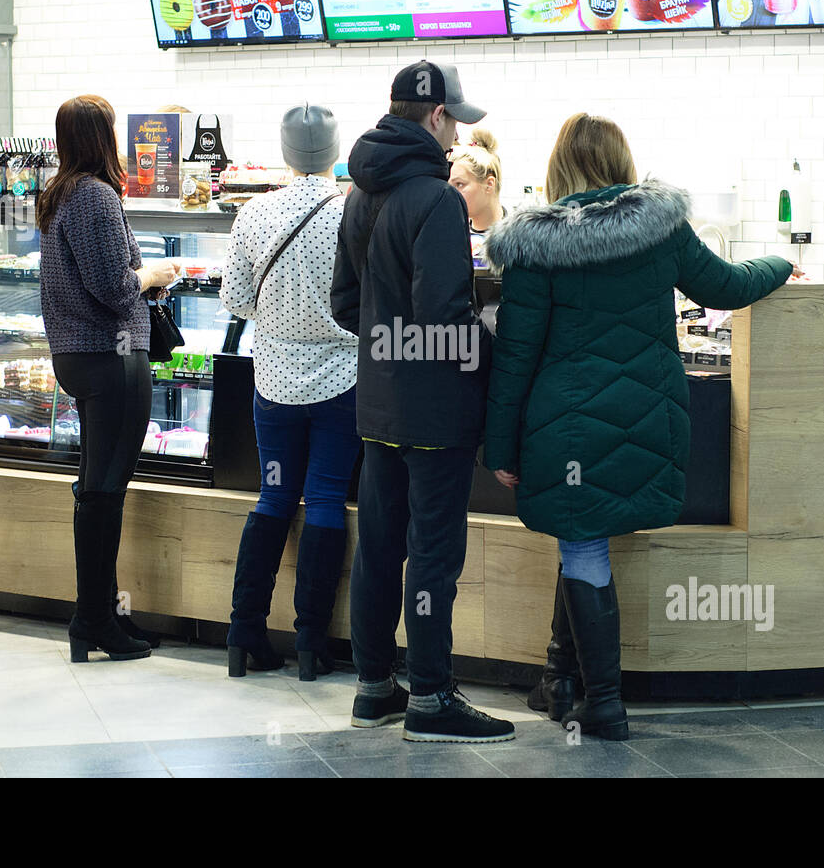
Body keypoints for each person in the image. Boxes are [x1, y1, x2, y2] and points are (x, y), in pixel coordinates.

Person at [482, 113, 797, 741]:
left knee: (582, 543)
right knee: (583, 537)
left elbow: (515, 356)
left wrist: (500, 445)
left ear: (558, 168)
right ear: (622, 162)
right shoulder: (661, 229)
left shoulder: (534, 245)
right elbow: (729, 286)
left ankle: (604, 701)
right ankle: (561, 680)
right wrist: (781, 265)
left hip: (567, 425)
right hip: (649, 415)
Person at [331, 61, 513, 743]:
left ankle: (374, 686)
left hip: (377, 407)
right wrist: (494, 355)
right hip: (435, 413)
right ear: (436, 116)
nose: (459, 132)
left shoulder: (360, 193)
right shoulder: (436, 200)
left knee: (379, 547)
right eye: (457, 119)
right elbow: (444, 319)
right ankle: (432, 699)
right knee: (433, 554)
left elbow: (346, 304)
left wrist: (388, 349)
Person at [38, 95, 182, 663]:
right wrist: (152, 273)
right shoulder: (96, 197)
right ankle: (95, 619)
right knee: (104, 492)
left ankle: (98, 612)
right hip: (109, 356)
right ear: (105, 137)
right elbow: (114, 288)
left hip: (79, 356)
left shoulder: (59, 195)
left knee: (95, 486)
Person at [220, 104, 359, 682]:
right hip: (342, 380)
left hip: (273, 380)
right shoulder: (355, 212)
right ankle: (310, 642)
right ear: (334, 151)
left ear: (283, 151)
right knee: (325, 499)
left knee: (273, 498)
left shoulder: (253, 212)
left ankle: (243, 631)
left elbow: (234, 300)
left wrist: (277, 318)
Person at [448, 127, 506, 261]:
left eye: (459, 184)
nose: (451, 193)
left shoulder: (519, 238)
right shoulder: (450, 235)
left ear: (489, 184)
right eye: (449, 185)